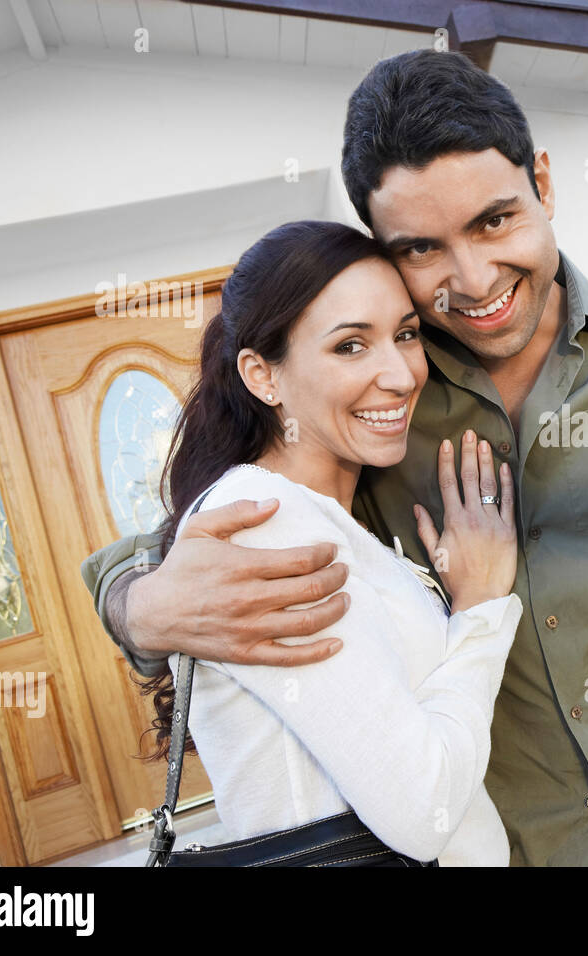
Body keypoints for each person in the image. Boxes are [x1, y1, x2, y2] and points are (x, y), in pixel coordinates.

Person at [81, 50, 588, 867]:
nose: (472, 279)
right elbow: (187, 539)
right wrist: (143, 610)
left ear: (542, 181)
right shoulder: (375, 402)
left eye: (494, 220)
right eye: (423, 247)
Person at [139, 220, 522, 866]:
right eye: (350, 347)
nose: (400, 375)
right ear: (263, 376)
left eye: (405, 335)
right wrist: (482, 609)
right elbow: (422, 808)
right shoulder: (262, 525)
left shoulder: (321, 516)